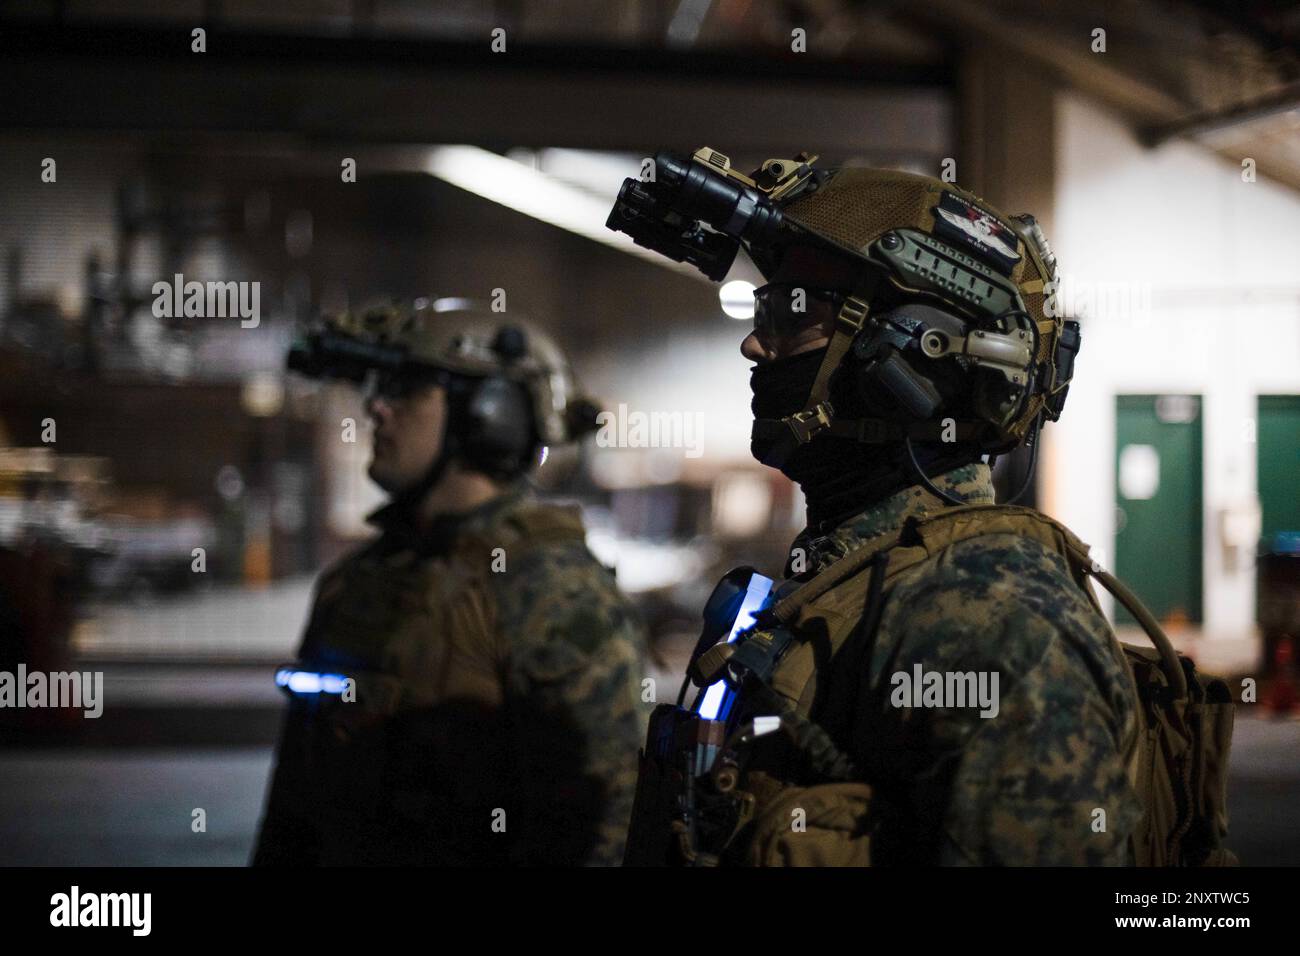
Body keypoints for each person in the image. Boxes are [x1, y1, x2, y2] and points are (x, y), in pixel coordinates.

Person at [619, 157, 1145, 866]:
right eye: (764, 308)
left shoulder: (989, 622)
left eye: (792, 312)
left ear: (909, 367)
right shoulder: (863, 576)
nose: (754, 342)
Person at [253, 298, 645, 866]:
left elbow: (605, 827)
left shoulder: (551, 592)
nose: (376, 409)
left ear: (489, 414)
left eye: (406, 389)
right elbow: (295, 807)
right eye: (378, 388)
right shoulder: (358, 581)